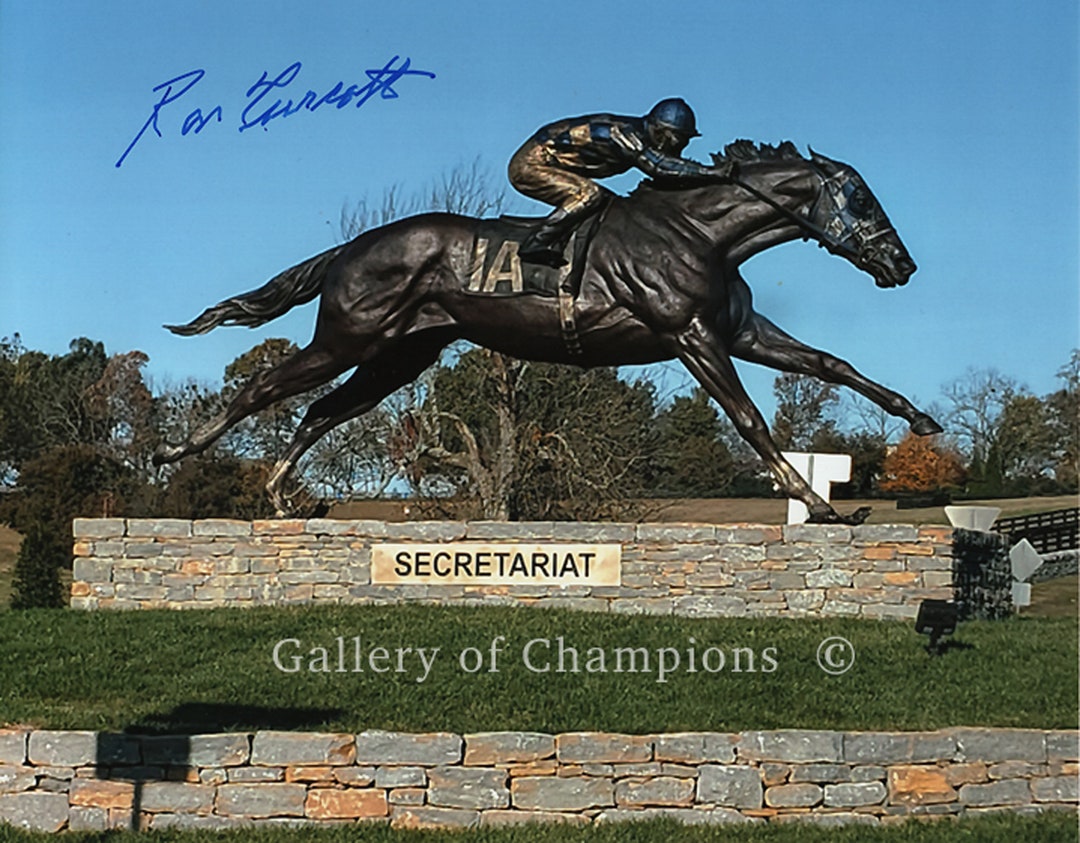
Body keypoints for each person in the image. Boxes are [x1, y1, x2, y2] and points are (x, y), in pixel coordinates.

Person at [508, 98, 735, 267]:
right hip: (531, 165)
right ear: (661, 131)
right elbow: (660, 167)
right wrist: (711, 173)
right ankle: (537, 243)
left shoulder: (639, 133)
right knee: (589, 195)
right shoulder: (625, 136)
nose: (680, 148)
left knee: (611, 206)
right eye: (679, 139)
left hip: (552, 162)